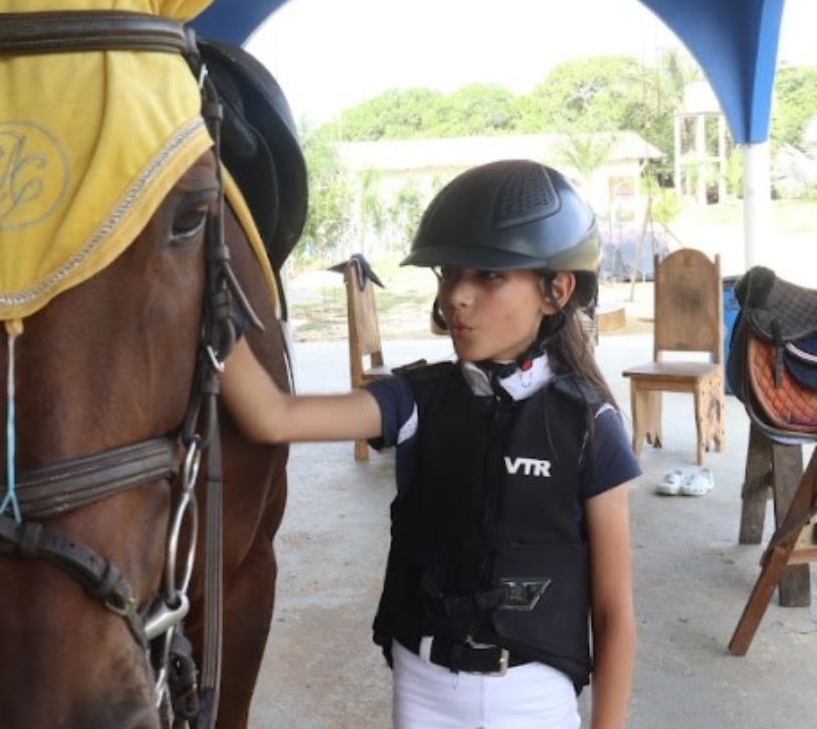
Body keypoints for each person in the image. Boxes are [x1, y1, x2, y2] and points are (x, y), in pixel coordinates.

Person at [220, 159, 639, 729]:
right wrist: (209, 300)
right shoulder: (415, 400)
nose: (457, 297)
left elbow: (614, 612)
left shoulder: (591, 425)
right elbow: (273, 417)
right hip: (423, 694)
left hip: (534, 700)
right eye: (448, 274)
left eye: (489, 276)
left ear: (556, 290)